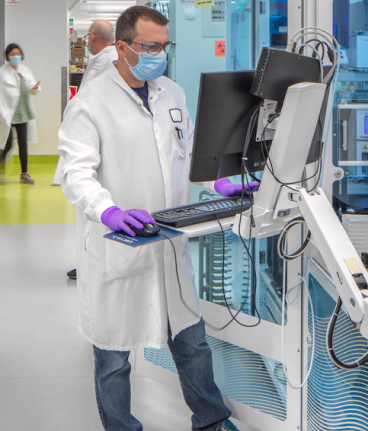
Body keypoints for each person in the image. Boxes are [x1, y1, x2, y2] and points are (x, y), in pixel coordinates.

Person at [57, 7, 236, 431]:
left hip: (169, 244)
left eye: (164, 46)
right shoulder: (90, 103)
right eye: (150, 47)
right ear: (122, 47)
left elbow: (190, 152)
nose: (159, 54)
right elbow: (76, 174)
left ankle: (211, 421)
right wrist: (110, 211)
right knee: (113, 357)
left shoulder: (171, 92)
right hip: (118, 247)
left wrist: (219, 181)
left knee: (192, 341)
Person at [56, 19, 119, 280]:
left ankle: (89, 265)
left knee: (92, 210)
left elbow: (85, 102)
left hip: (96, 144)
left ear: (92, 37)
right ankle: (88, 263)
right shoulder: (111, 58)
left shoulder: (104, 60)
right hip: (99, 143)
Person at [0, 43, 40, 185]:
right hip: (7, 114)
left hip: (23, 112)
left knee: (23, 143)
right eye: (12, 54)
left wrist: (35, 88)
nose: (15, 56)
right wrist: (2, 113)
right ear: (7, 56)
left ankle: (24, 174)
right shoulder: (2, 72)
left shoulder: (25, 70)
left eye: (17, 53)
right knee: (8, 143)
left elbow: (33, 88)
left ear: (21, 55)